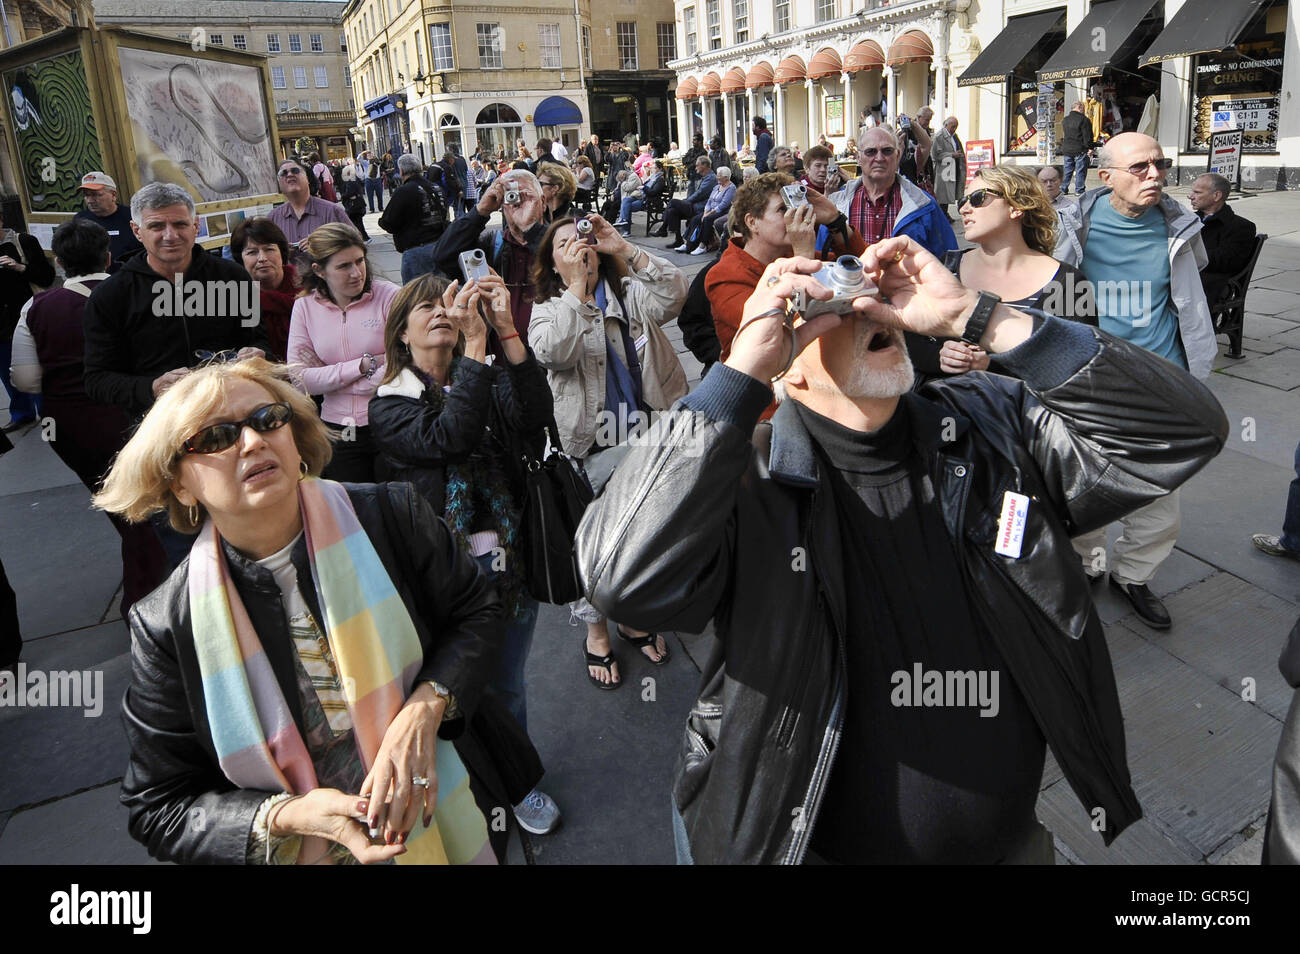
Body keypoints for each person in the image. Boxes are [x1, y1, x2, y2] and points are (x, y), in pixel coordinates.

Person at [574, 235, 1229, 865]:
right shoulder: (748, 483)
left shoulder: (987, 426)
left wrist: (981, 317)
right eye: (829, 311)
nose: (861, 310)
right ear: (787, 375)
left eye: (868, 298)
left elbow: (1184, 432)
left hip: (1009, 846)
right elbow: (620, 579)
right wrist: (737, 369)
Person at [94, 357, 539, 864]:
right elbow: (159, 806)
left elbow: (477, 610)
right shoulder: (166, 624)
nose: (254, 441)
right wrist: (284, 817)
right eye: (216, 437)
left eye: (266, 419)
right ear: (179, 484)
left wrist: (426, 705)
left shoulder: (391, 514)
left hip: (447, 813)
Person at [369, 272, 562, 836]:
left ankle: (518, 783)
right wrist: (475, 351)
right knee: (454, 692)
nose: (441, 313)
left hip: (509, 562)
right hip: (441, 577)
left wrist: (504, 332)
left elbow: (534, 418)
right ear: (401, 334)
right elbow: (448, 437)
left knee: (507, 684)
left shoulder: (485, 370)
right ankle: (465, 782)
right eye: (425, 307)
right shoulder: (388, 406)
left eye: (447, 304)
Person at [1055, 132, 1217, 629]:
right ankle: (1085, 566)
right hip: (1095, 383)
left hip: (1163, 379)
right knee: (1085, 484)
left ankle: (1134, 576)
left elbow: (1189, 287)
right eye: (1140, 167)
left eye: (1160, 164)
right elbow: (1057, 297)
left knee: (1160, 494)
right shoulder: (1074, 225)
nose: (1155, 174)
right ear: (1106, 177)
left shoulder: (1180, 223)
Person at [527, 214, 688, 688]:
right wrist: (577, 292)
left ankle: (632, 617)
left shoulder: (626, 294)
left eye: (583, 241)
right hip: (586, 448)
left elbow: (675, 293)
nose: (577, 249)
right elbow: (555, 352)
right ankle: (596, 633)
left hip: (642, 437)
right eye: (562, 246)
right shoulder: (548, 309)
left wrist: (625, 248)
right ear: (552, 266)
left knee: (637, 537)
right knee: (591, 544)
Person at [9, 219, 167, 618]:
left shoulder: (38, 307)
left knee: (124, 506)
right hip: (142, 413)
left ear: (59, 261)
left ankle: (148, 587)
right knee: (150, 503)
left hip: (71, 425)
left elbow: (26, 379)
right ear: (109, 256)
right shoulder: (142, 293)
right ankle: (154, 589)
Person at [83, 181, 266, 420]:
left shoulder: (234, 278)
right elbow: (97, 379)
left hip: (232, 411)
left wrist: (258, 354)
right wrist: (152, 387)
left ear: (195, 225)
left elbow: (259, 339)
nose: (170, 236)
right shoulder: (110, 296)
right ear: (137, 231)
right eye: (156, 226)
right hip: (159, 424)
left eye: (180, 224)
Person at [915, 166, 1092, 382]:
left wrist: (991, 366)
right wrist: (939, 356)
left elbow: (1080, 368)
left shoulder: (1068, 283)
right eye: (963, 201)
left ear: (1016, 207)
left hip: (1027, 414)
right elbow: (909, 340)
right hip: (946, 410)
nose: (964, 209)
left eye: (978, 198)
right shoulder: (946, 266)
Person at [706, 172, 868, 404]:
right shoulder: (724, 275)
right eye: (783, 209)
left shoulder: (788, 254)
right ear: (752, 222)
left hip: (816, 388)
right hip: (761, 404)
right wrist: (803, 256)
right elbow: (787, 329)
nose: (796, 215)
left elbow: (860, 272)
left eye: (796, 206)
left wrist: (834, 220)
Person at [286, 223, 396, 483]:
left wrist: (335, 381)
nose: (356, 273)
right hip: (339, 426)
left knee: (398, 505)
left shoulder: (389, 296)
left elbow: (402, 364)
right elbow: (300, 380)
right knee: (353, 506)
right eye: (344, 266)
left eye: (360, 261)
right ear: (319, 271)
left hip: (390, 417)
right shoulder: (304, 308)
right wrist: (361, 366)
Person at [432, 169, 548, 353]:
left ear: (543, 203)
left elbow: (566, 268)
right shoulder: (493, 245)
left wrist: (531, 230)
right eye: (511, 196)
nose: (518, 203)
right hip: (502, 361)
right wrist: (480, 212)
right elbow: (443, 256)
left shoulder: (560, 241)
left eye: (525, 196)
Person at [831, 126, 957, 259]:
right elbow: (823, 263)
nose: (879, 158)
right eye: (871, 152)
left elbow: (948, 260)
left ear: (897, 156)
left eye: (887, 151)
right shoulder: (837, 206)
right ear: (858, 158)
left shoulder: (925, 205)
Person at [0, 210, 54, 431]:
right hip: (0, 323)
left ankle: (48, 411)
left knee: (37, 365)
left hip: (26, 314)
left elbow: (46, 277)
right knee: (6, 368)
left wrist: (19, 267)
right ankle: (21, 413)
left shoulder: (23, 242)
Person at [230, 218, 299, 363]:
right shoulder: (236, 299)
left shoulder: (309, 288)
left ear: (282, 252)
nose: (262, 258)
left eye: (269, 249)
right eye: (252, 252)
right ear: (240, 259)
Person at [268, 158, 351, 270]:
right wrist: (281, 251)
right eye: (284, 173)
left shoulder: (332, 211)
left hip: (326, 283)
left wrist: (322, 244)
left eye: (295, 171)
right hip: (292, 284)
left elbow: (355, 243)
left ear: (308, 178)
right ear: (279, 183)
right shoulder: (273, 218)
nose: (289, 175)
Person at [1188, 172, 1257, 305]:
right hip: (1187, 277)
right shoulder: (1188, 220)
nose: (1191, 197)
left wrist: (1187, 255)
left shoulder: (1240, 226)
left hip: (1211, 285)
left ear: (1216, 195)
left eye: (1197, 192)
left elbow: (1227, 260)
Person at [378, 154, 449, 283]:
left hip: (417, 250)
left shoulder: (404, 191)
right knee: (441, 290)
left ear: (401, 171)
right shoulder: (436, 188)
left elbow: (388, 222)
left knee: (417, 295)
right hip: (440, 246)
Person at [73, 171, 143, 271]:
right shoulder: (80, 220)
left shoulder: (132, 216)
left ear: (113, 195)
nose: (90, 200)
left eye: (96, 195)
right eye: (86, 195)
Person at [657, 156, 716, 246]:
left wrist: (686, 201)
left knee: (673, 202)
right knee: (672, 210)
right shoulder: (704, 177)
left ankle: (663, 228)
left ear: (704, 165)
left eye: (697, 165)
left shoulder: (711, 178)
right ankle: (678, 240)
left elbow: (700, 194)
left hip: (701, 208)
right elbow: (695, 193)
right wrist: (686, 200)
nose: (695, 168)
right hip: (695, 205)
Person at [682, 166, 735, 255]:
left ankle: (703, 245)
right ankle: (688, 243)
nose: (717, 177)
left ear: (726, 177)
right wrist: (706, 212)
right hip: (710, 211)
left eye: (719, 176)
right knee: (695, 219)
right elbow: (709, 201)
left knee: (707, 219)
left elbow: (723, 205)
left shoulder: (731, 188)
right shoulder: (717, 186)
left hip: (721, 212)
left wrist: (709, 214)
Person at [930, 117, 965, 220]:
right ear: (946, 125)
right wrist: (952, 155)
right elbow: (935, 155)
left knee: (950, 193)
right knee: (943, 195)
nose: (954, 129)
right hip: (944, 170)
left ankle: (945, 214)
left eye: (956, 127)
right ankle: (942, 216)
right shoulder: (939, 136)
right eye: (952, 126)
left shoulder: (954, 136)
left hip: (954, 168)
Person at [1060, 102, 1094, 196]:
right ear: (1079, 108)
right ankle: (1079, 190)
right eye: (1083, 108)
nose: (1084, 110)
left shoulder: (1065, 120)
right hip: (1080, 148)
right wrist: (1090, 147)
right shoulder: (1084, 120)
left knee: (1067, 170)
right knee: (1080, 170)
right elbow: (1087, 136)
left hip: (1067, 148)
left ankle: (1063, 188)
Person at [898, 107, 934, 193]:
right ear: (918, 117)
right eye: (926, 120)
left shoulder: (927, 130)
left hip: (924, 169)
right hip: (911, 168)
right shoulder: (909, 129)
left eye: (929, 120)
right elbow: (925, 145)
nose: (928, 123)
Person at [338, 165, 370, 241]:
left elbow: (349, 193)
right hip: (359, 205)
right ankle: (364, 238)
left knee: (355, 223)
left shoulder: (350, 182)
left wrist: (342, 196)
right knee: (358, 223)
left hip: (354, 206)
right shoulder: (355, 180)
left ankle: (362, 238)